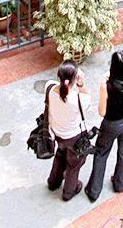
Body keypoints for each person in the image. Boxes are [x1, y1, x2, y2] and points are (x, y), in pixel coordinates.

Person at [85, 51, 123, 201]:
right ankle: (120, 184)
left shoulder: (107, 86)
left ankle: (94, 190)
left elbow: (102, 112)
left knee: (101, 153)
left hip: (112, 123)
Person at [46, 60, 92, 201]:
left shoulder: (49, 87)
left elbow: (58, 86)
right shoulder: (78, 99)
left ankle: (53, 182)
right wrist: (81, 84)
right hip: (73, 137)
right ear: (75, 77)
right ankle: (69, 191)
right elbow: (88, 97)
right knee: (74, 164)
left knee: (60, 155)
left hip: (56, 133)